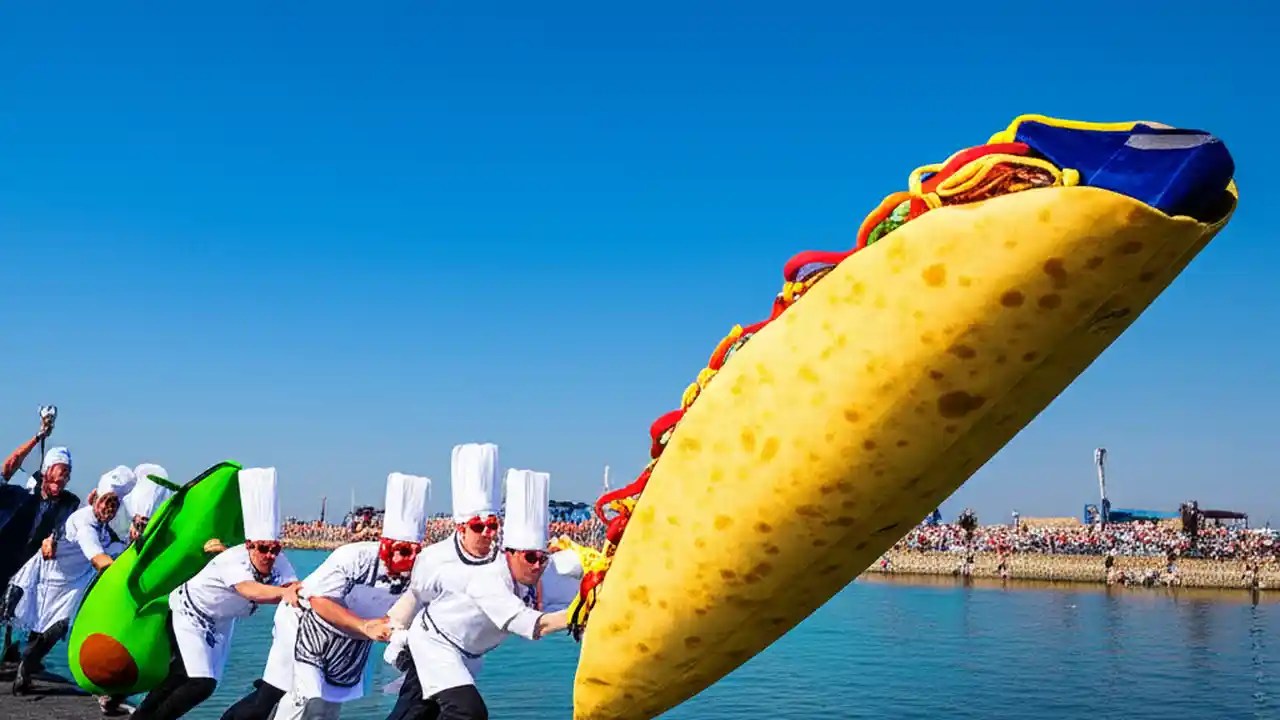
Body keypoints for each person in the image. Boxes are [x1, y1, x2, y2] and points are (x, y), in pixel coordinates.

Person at [222, 471, 431, 720]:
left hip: (351, 636)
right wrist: (364, 626)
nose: (408, 559)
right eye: (403, 551)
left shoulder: (421, 571)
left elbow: (405, 616)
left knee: (327, 708)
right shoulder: (355, 558)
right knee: (301, 700)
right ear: (385, 545)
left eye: (415, 552)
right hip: (305, 623)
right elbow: (319, 600)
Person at [398, 468, 570, 720]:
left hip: (467, 653)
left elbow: (577, 581)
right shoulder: (488, 579)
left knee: (421, 714)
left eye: (542, 558)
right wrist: (574, 615)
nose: (537, 565)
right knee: (467, 712)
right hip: (435, 645)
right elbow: (532, 625)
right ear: (510, 553)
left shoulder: (540, 571)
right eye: (530, 557)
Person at [131, 467, 301, 720]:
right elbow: (249, 589)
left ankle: (142, 717)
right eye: (263, 548)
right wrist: (284, 593)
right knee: (199, 683)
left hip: (220, 622)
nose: (270, 556)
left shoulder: (279, 560)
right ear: (249, 545)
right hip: (190, 612)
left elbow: (296, 587)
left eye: (275, 549)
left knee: (186, 677)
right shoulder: (233, 559)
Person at [381, 443, 503, 720]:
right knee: (423, 711)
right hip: (429, 653)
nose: (487, 533)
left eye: (492, 526)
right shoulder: (436, 560)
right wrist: (401, 638)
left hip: (464, 659)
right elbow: (407, 607)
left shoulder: (499, 561)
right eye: (478, 526)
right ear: (461, 527)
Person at [6, 465, 135, 694]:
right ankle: (17, 660)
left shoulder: (104, 529)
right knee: (12, 615)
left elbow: (118, 548)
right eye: (107, 502)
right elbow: (98, 558)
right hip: (46, 577)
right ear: (95, 497)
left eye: (114, 505)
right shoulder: (84, 522)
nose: (110, 509)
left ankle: (26, 668)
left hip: (70, 586)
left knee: (57, 627)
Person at [0, 416, 80, 662]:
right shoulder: (21, 495)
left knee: (28, 610)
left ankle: (21, 655)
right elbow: (9, 466)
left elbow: (69, 528)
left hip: (34, 567)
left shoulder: (69, 503)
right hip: (5, 557)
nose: (64, 479)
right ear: (47, 472)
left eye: (67, 475)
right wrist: (38, 438)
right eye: (61, 473)